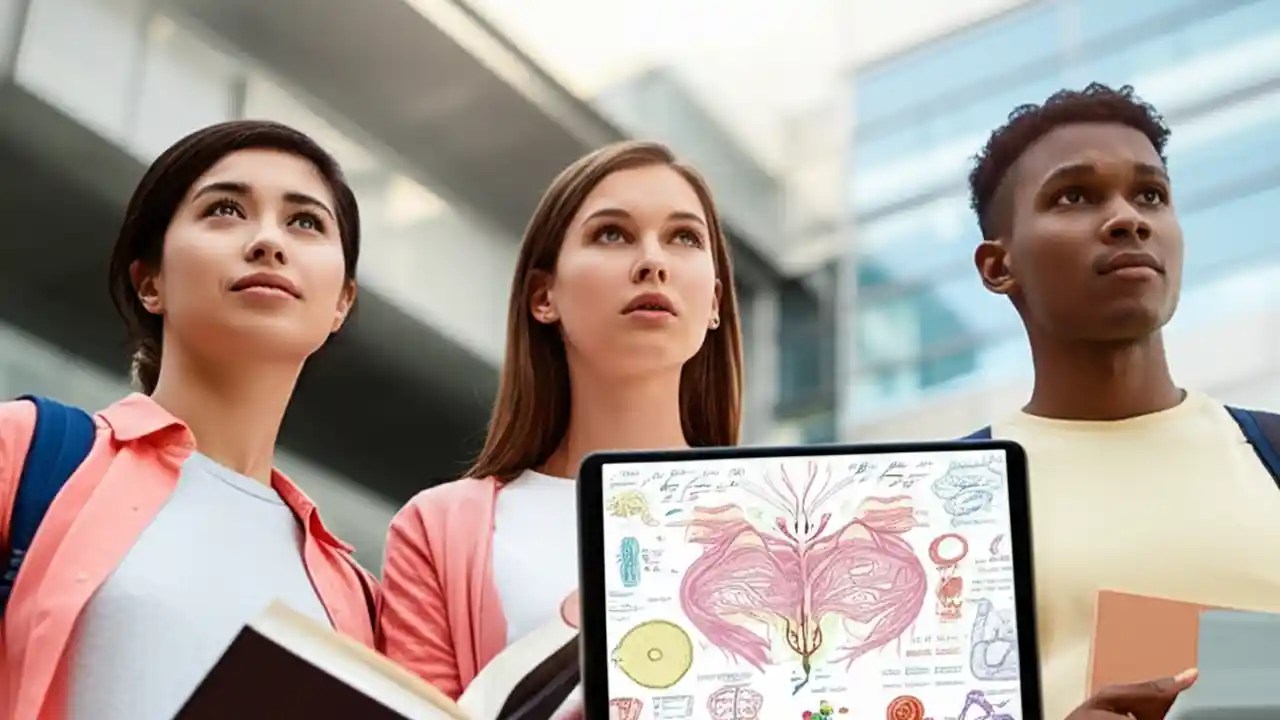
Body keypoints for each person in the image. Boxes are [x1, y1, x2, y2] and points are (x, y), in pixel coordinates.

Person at [0, 120, 377, 720]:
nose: (268, 242)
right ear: (151, 282)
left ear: (341, 303)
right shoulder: (25, 454)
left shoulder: (358, 596)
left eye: (305, 221)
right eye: (226, 209)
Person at [378, 140, 743, 699]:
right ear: (543, 295)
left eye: (684, 238)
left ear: (714, 302)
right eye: (612, 234)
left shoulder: (787, 517)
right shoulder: (438, 529)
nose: (653, 261)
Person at [967, 82, 1280, 718]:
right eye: (1074, 196)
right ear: (999, 266)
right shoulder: (937, 501)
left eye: (1151, 194)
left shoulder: (1271, 451)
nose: (1128, 217)